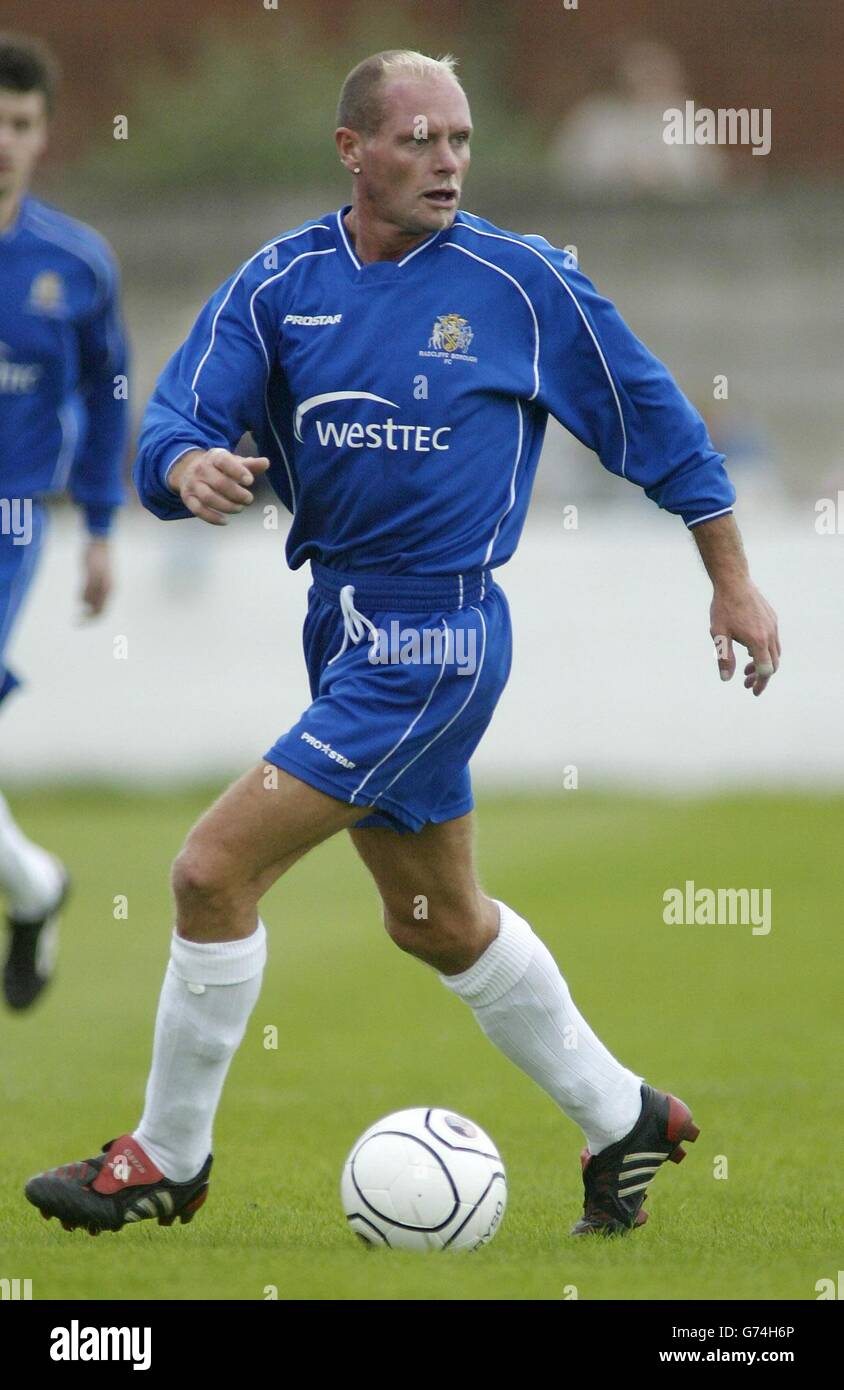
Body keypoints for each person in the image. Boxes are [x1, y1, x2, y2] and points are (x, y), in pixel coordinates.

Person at [24, 49, 779, 1238]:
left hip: (438, 640)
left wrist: (731, 580)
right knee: (435, 920)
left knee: (210, 872)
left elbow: (662, 428)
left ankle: (167, 1156)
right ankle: (623, 1113)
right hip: (341, 625)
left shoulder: (521, 282)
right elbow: (171, 420)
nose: (447, 161)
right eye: (420, 139)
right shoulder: (281, 284)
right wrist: (186, 464)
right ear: (353, 150)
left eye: (460, 140)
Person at [0, 34, 129, 1010]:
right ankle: (37, 885)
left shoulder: (75, 264)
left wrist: (100, 526)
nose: (3, 141)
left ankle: (37, 887)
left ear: (43, 136)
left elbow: (107, 395)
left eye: (19, 123)